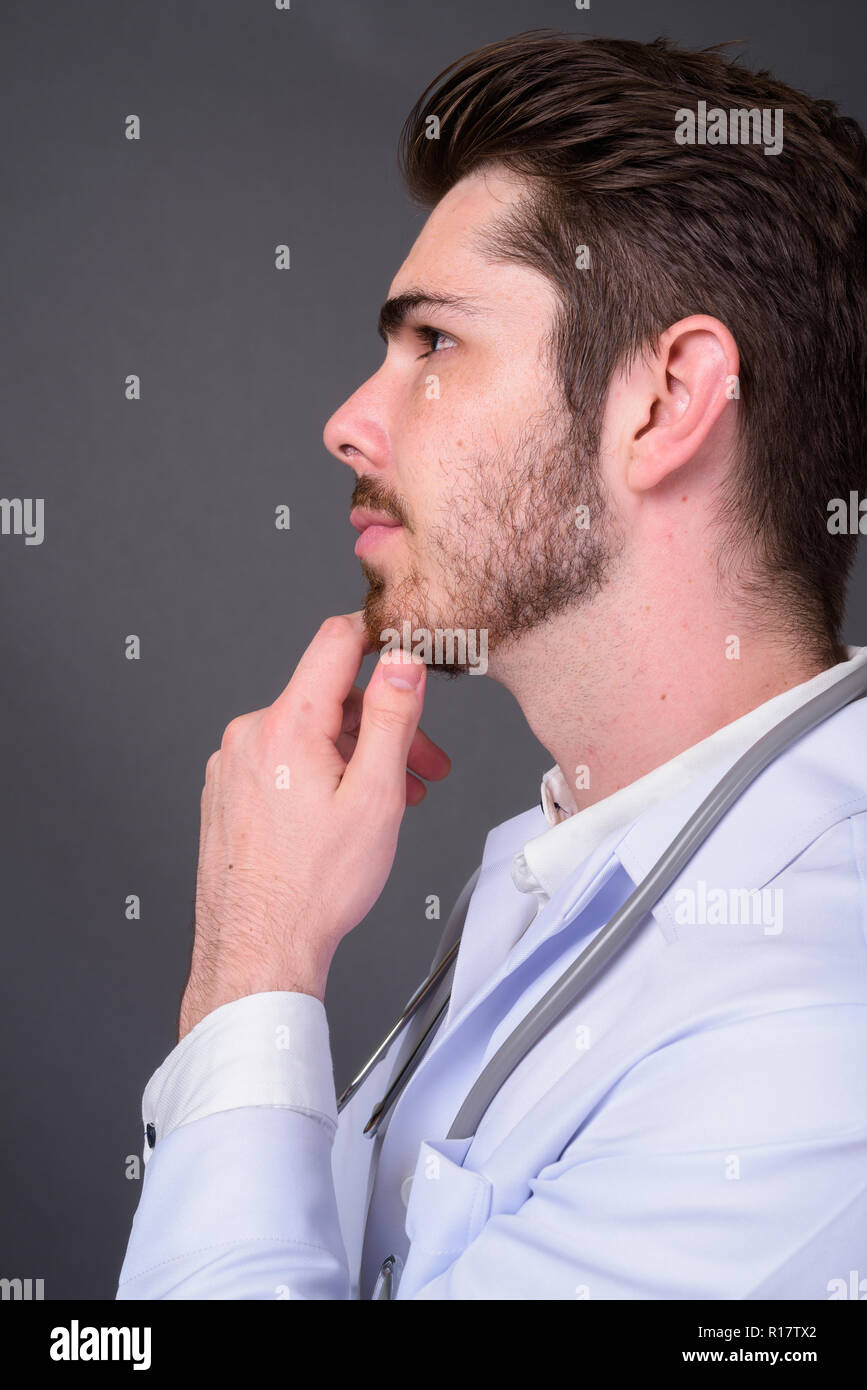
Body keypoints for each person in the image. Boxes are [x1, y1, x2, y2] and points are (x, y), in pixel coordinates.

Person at [116, 31, 867, 1299]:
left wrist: (250, 977)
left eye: (436, 344)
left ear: (666, 401)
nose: (348, 421)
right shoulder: (575, 858)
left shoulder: (810, 1020)